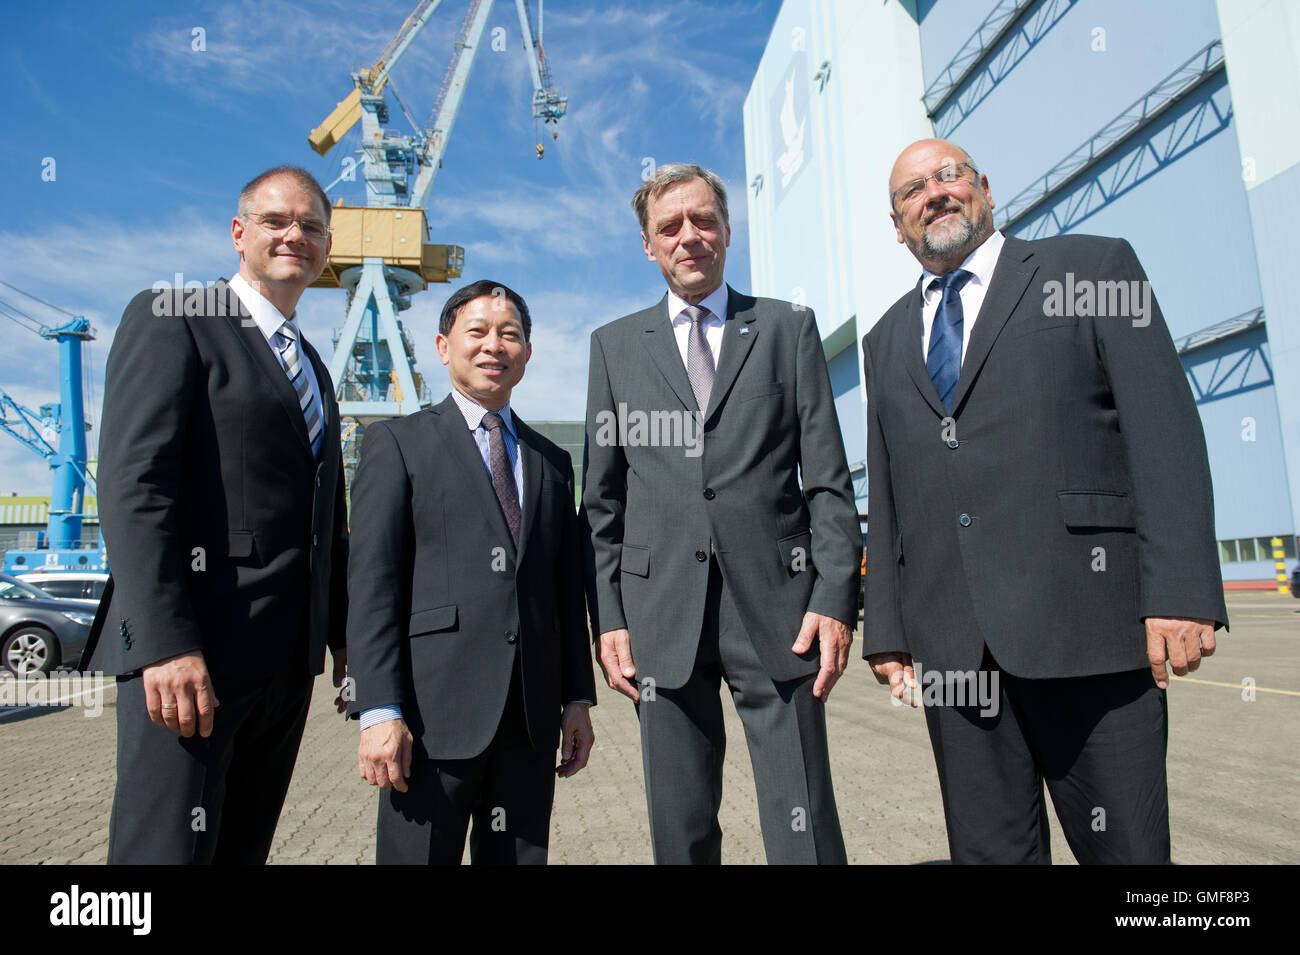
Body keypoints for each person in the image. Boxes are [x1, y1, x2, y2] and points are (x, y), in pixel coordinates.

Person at [861, 138, 1228, 864]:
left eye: (949, 175)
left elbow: (1165, 432)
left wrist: (1182, 588)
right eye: (912, 191)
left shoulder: (1090, 269)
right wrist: (890, 630)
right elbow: (890, 487)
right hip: (956, 652)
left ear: (985, 188)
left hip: (1089, 631)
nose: (933, 193)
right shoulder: (885, 338)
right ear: (896, 225)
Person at [582, 163, 861, 864]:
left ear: (728, 231)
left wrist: (834, 597)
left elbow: (828, 480)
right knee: (680, 826)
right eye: (669, 227)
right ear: (649, 246)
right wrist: (609, 615)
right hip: (659, 613)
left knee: (803, 818)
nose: (689, 236)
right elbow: (602, 500)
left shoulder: (785, 330)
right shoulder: (614, 348)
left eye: (703, 220)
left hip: (779, 609)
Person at [84, 165, 349, 864]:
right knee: (161, 854)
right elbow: (134, 485)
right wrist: (164, 642)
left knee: (239, 850)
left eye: (312, 227)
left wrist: (343, 636)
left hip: (285, 666)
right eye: (276, 221)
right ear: (239, 233)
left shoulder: (315, 369)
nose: (296, 234)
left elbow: (329, 520)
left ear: (327, 248)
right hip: (192, 659)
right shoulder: (174, 316)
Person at [348, 279, 596, 865]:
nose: (493, 346)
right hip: (429, 723)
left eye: (509, 334)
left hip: (530, 724)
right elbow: (372, 585)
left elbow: (565, 592)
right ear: (442, 346)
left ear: (527, 353)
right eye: (477, 332)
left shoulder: (551, 463)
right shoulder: (397, 444)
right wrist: (378, 710)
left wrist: (576, 700)